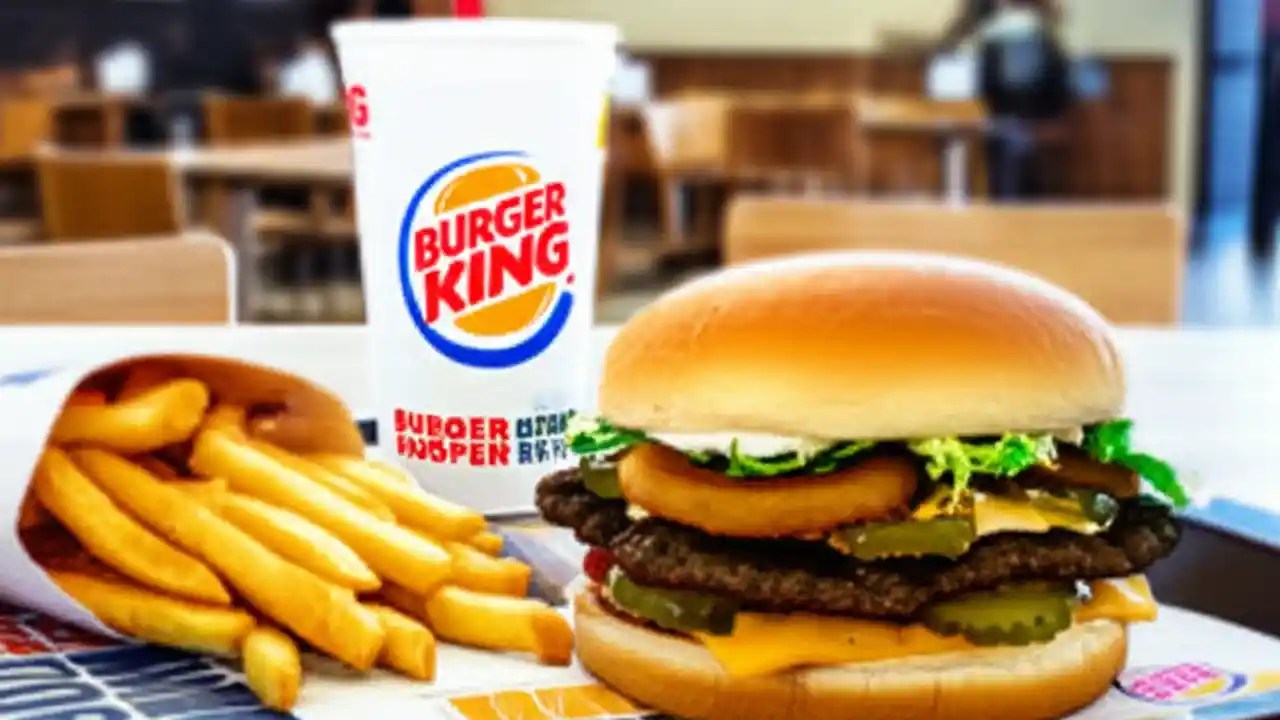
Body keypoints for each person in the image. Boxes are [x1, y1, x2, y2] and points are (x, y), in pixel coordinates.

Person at [937, 0, 1073, 200]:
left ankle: (1013, 198)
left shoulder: (1025, 30)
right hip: (1006, 108)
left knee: (1010, 144)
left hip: (1021, 108)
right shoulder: (1000, 26)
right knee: (1007, 144)